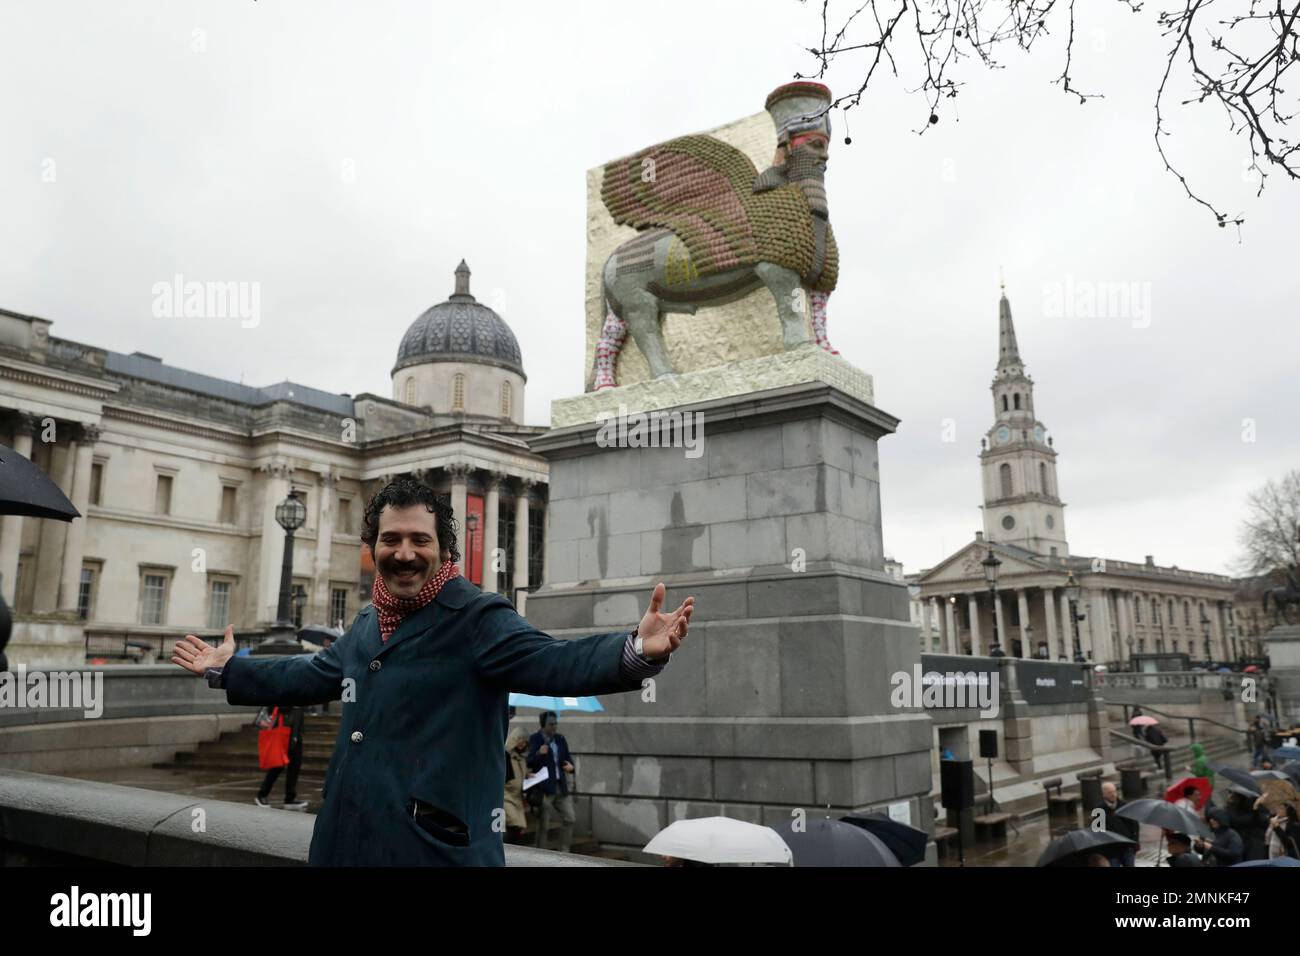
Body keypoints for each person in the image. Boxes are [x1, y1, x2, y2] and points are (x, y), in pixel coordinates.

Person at [171, 477, 694, 866]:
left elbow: (556, 662)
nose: (404, 553)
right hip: (344, 846)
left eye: (419, 540)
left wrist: (635, 650)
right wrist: (229, 669)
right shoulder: (368, 621)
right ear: (373, 548)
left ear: (445, 549)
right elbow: (309, 673)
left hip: (434, 853)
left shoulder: (478, 617)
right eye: (390, 539)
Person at [527, 711, 577, 852]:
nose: (554, 727)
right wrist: (538, 754)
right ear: (543, 725)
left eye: (556, 723)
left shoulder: (560, 739)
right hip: (544, 789)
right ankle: (540, 853)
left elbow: (568, 758)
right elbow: (526, 761)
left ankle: (564, 851)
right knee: (543, 824)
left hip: (560, 787)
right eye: (551, 724)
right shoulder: (535, 739)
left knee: (570, 818)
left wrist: (571, 767)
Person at [256, 704, 307, 810]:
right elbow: (275, 706)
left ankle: (290, 797)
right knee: (278, 765)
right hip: (283, 730)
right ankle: (262, 794)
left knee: (295, 765)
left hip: (295, 732)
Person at [1099, 781, 1139, 866]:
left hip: (1127, 847)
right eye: (1110, 792)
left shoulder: (1125, 806)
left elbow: (1135, 825)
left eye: (1114, 791)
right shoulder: (1099, 810)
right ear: (1104, 795)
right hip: (1111, 851)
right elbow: (1097, 832)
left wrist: (1134, 843)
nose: (1113, 794)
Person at [1225, 787, 1270, 861]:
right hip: (1243, 843)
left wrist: (1256, 808)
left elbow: (1261, 821)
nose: (1230, 795)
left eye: (1232, 793)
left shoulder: (1257, 808)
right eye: (1229, 792)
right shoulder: (1232, 810)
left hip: (1255, 844)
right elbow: (1238, 821)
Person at [502, 725, 530, 844]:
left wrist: (528, 774)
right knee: (514, 824)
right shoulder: (506, 756)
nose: (521, 745)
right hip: (506, 797)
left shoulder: (520, 758)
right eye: (520, 742)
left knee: (518, 828)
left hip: (517, 798)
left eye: (524, 743)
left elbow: (519, 773)